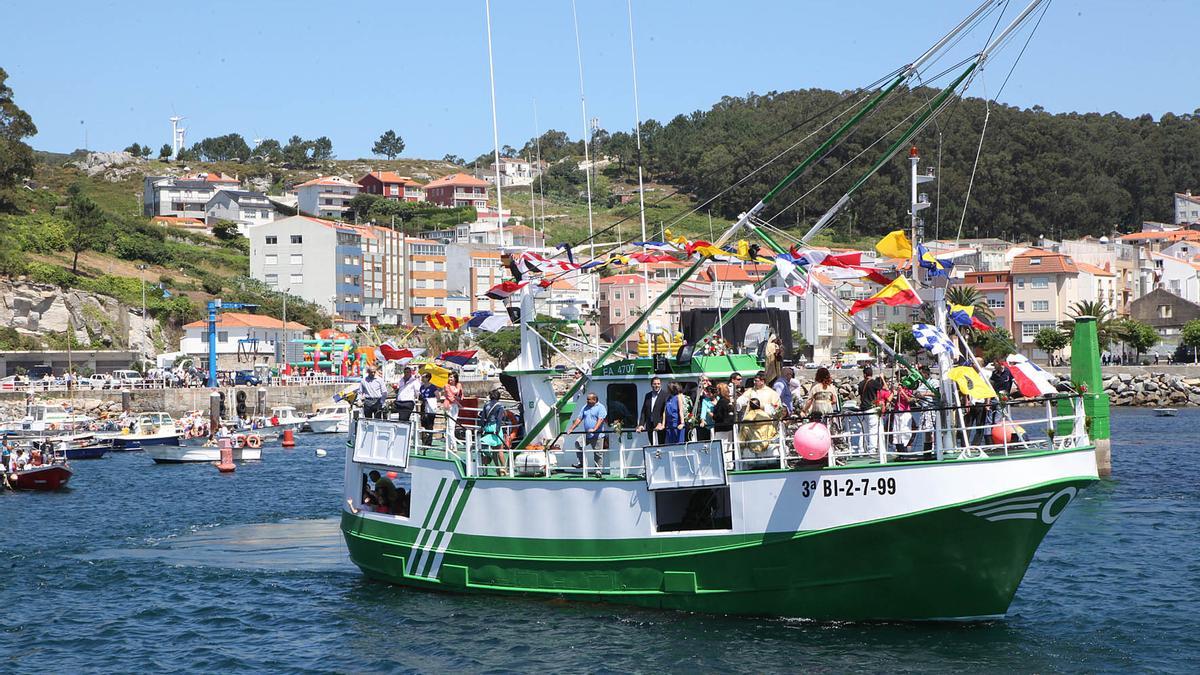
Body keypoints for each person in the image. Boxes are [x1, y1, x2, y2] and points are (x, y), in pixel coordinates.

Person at [565, 392, 607, 472]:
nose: (587, 401)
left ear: (594, 400)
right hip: (587, 434)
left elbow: (600, 420)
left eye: (588, 399)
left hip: (597, 435)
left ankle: (598, 470)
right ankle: (581, 463)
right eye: (587, 399)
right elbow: (579, 419)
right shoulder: (585, 407)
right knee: (578, 443)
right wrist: (571, 429)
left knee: (598, 453)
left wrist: (594, 429)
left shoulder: (601, 407)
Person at [477, 389, 508, 474]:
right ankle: (504, 468)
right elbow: (499, 419)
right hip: (495, 428)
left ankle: (497, 468)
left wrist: (482, 427)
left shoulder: (486, 405)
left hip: (487, 428)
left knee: (494, 451)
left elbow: (482, 418)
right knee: (500, 451)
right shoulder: (500, 406)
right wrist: (497, 430)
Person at [738, 397, 776, 464]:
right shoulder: (766, 415)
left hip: (753, 446)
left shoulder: (748, 417)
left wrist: (741, 444)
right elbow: (773, 431)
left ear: (749, 406)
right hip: (766, 444)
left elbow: (744, 432)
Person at [857, 366, 885, 454]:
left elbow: (860, 394)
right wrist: (882, 378)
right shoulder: (874, 383)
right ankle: (872, 450)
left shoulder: (861, 384)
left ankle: (862, 449)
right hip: (871, 409)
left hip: (863, 410)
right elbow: (883, 387)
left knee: (864, 431)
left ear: (864, 374)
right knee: (873, 430)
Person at [637, 376, 667, 445]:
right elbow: (644, 411)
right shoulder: (648, 395)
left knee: (661, 445)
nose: (657, 385)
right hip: (650, 426)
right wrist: (641, 424)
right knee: (652, 445)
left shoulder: (665, 395)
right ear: (651, 385)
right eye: (655, 384)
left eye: (658, 384)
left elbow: (665, 411)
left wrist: (661, 423)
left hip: (660, 427)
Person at [418, 373, 441, 449]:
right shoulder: (421, 387)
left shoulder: (433, 387)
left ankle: (428, 443)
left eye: (423, 377)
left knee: (430, 424)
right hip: (423, 406)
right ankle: (424, 441)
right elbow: (420, 396)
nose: (422, 378)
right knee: (423, 424)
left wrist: (432, 401)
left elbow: (438, 396)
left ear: (428, 378)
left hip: (430, 407)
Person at [442, 372, 463, 439]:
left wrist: (458, 397)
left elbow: (461, 396)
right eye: (449, 377)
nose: (450, 378)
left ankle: (451, 442)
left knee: (453, 423)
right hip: (449, 405)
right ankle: (452, 443)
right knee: (450, 424)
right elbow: (450, 396)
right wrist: (459, 404)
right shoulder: (446, 386)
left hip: (455, 405)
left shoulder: (458, 385)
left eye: (451, 377)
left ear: (455, 378)